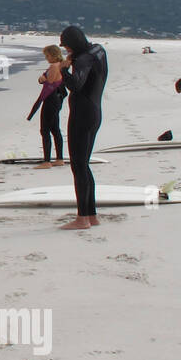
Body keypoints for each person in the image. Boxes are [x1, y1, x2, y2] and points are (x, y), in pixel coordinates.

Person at [56, 25, 107, 230]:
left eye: (67, 47)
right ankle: (91, 215)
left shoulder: (83, 59)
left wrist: (63, 70)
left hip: (81, 116)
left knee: (78, 166)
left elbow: (75, 85)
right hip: (95, 112)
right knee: (84, 165)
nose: (66, 50)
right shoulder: (98, 50)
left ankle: (82, 219)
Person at [27, 44, 66, 168]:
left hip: (51, 100)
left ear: (54, 55)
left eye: (47, 55)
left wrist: (42, 78)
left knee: (45, 130)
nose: (46, 58)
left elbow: (49, 81)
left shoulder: (54, 66)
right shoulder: (61, 65)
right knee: (55, 129)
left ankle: (47, 161)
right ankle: (59, 158)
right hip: (57, 99)